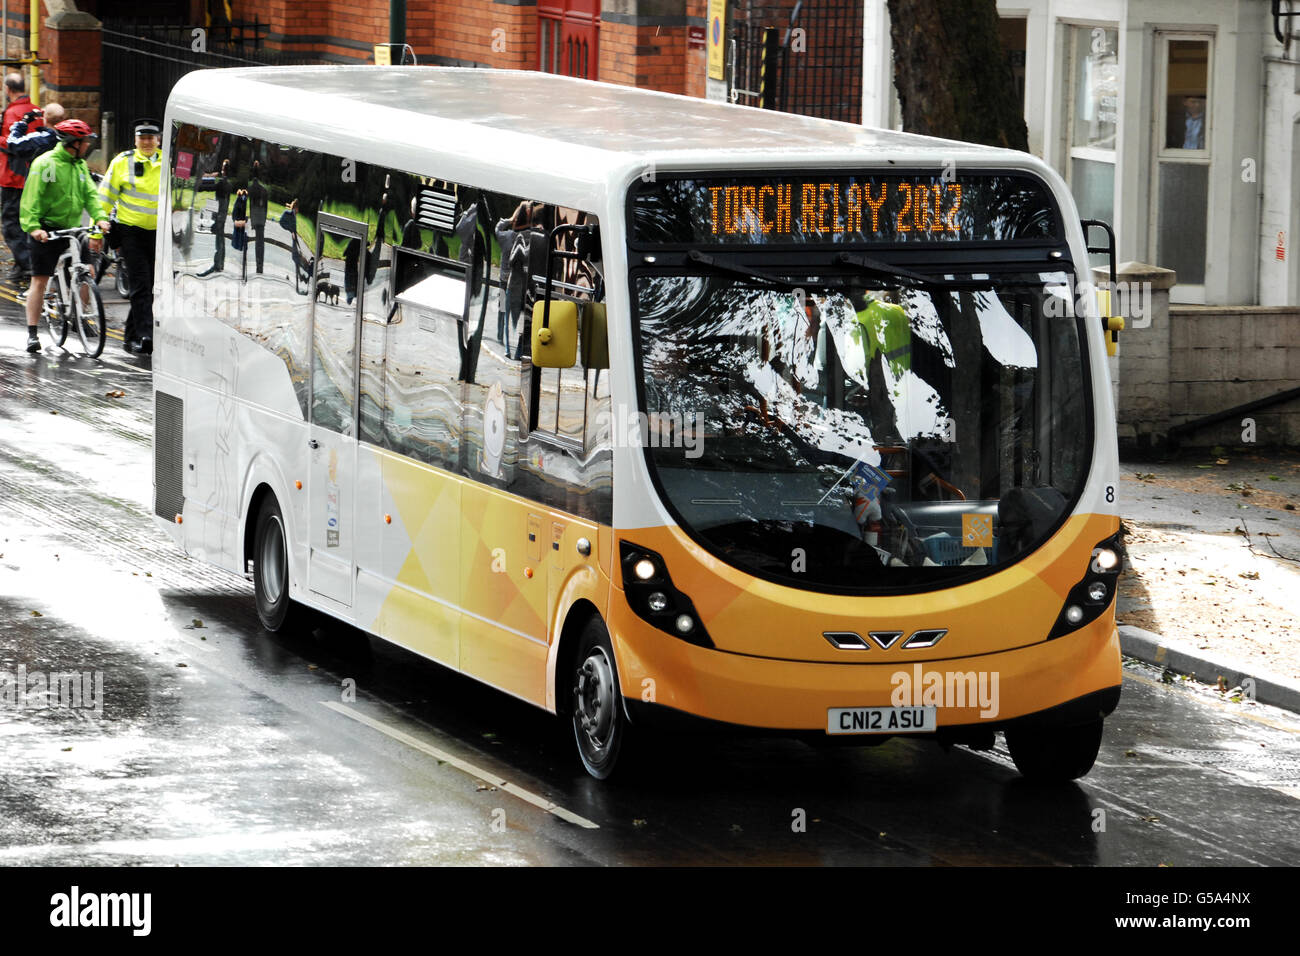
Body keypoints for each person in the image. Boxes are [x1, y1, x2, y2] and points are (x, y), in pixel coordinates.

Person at [18, 119, 108, 353]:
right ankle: (32, 332)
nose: (88, 144)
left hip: (72, 229)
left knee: (87, 269)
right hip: (46, 230)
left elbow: (91, 195)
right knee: (39, 280)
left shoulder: (78, 165)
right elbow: (31, 199)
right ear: (72, 143)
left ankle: (82, 316)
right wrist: (34, 227)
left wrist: (99, 217)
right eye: (85, 141)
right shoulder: (46, 164)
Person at [99, 118, 162, 353]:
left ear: (158, 139)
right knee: (141, 284)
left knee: (152, 286)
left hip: (157, 234)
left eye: (151, 137)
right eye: (142, 138)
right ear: (135, 140)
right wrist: (97, 229)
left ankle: (130, 335)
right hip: (130, 232)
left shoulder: (167, 162)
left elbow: (180, 197)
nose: (146, 142)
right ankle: (146, 336)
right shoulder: (121, 162)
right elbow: (104, 198)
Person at [1, 73, 42, 283]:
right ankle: (23, 263)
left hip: (13, 175)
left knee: (11, 222)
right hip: (32, 174)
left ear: (8, 89)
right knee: (27, 220)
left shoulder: (12, 113)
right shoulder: (34, 110)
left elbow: (10, 144)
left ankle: (26, 264)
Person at [5, 102, 63, 175]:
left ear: (46, 118)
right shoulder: (67, 139)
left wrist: (23, 122)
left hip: (37, 178)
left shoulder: (40, 139)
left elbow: (12, 143)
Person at [247, 160, 268, 273]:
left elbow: (250, 204)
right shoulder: (263, 190)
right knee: (260, 243)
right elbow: (265, 207)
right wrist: (264, 220)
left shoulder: (250, 188)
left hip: (255, 216)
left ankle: (258, 265)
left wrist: (251, 220)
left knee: (256, 243)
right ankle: (260, 266)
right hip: (261, 218)